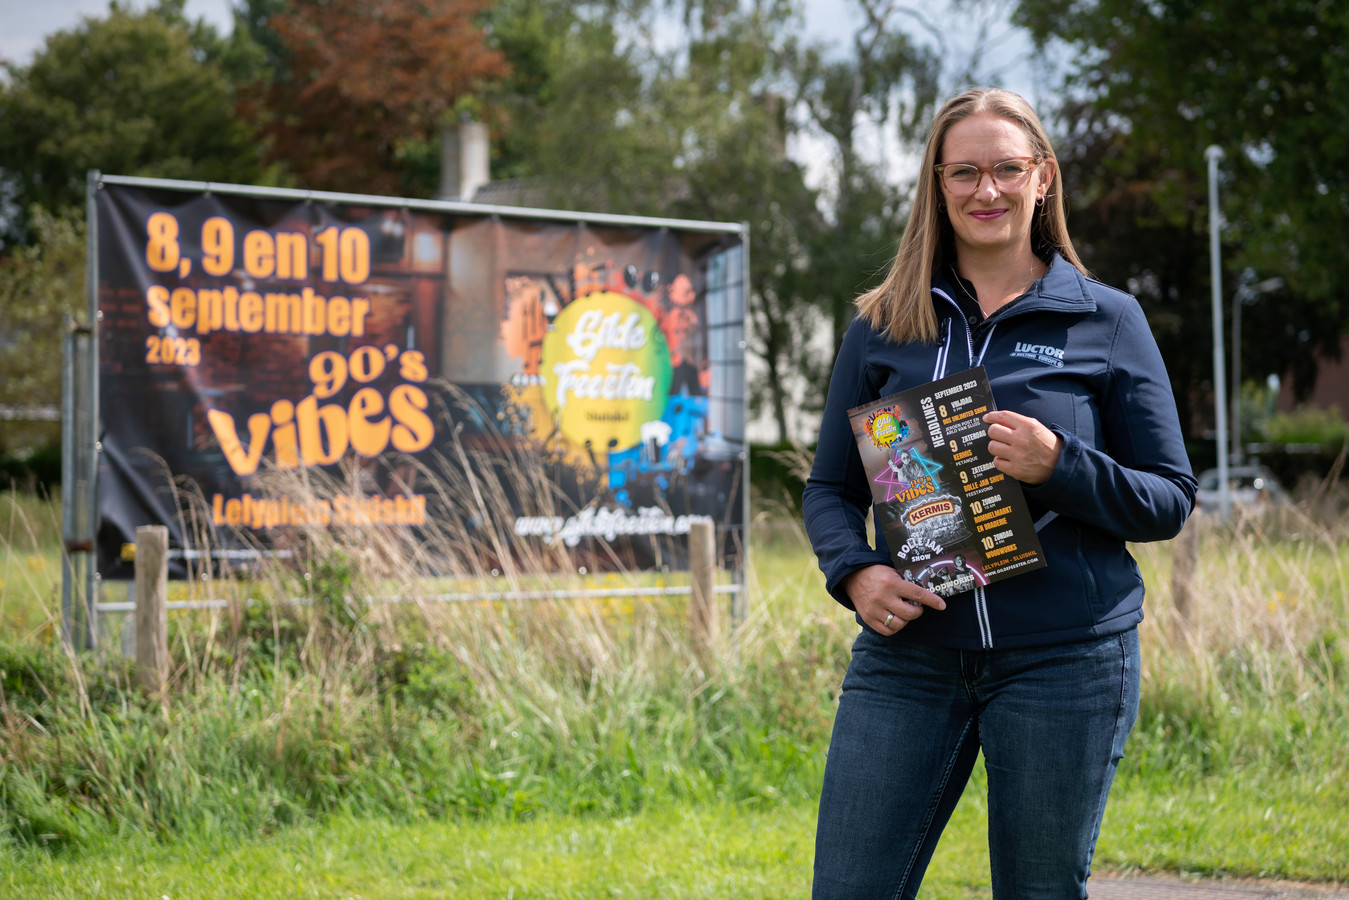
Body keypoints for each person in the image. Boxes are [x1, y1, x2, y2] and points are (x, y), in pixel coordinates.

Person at [801, 87, 1196, 899]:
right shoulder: (881, 324)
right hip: (908, 660)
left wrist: (1061, 464)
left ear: (1042, 178)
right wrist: (855, 573)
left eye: (1007, 169)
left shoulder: (1106, 319)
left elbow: (1168, 498)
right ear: (936, 185)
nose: (987, 191)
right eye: (965, 173)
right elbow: (828, 489)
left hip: (1066, 659)